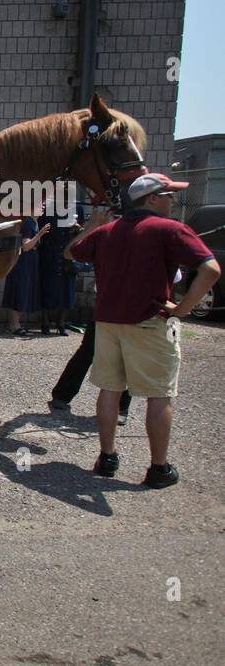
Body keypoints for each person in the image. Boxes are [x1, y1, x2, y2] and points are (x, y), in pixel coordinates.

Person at [65, 172, 220, 489]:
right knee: (159, 394)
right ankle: (158, 467)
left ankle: (107, 457)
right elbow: (211, 269)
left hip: (108, 321)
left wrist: (94, 223)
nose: (173, 201)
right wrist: (184, 308)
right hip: (150, 321)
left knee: (110, 389)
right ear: (152, 198)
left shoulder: (107, 232)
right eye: (168, 195)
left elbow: (70, 251)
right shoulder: (170, 230)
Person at [49, 204, 130, 422]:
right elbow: (69, 252)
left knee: (120, 356)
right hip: (109, 306)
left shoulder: (142, 235)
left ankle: (120, 407)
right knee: (91, 351)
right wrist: (93, 226)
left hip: (127, 307)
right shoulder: (105, 236)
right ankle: (64, 395)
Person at [37, 202, 78, 334]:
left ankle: (61, 323)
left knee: (67, 288)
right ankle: (45, 322)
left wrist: (77, 229)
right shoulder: (49, 208)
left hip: (68, 250)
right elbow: (41, 228)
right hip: (50, 250)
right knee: (47, 286)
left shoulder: (78, 208)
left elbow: (81, 231)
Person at [1, 216, 44, 335]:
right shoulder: (28, 222)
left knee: (25, 290)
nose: (43, 207)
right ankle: (14, 324)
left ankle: (16, 323)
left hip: (31, 261)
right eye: (40, 205)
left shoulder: (35, 222)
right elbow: (26, 246)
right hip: (24, 261)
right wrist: (39, 234)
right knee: (21, 290)